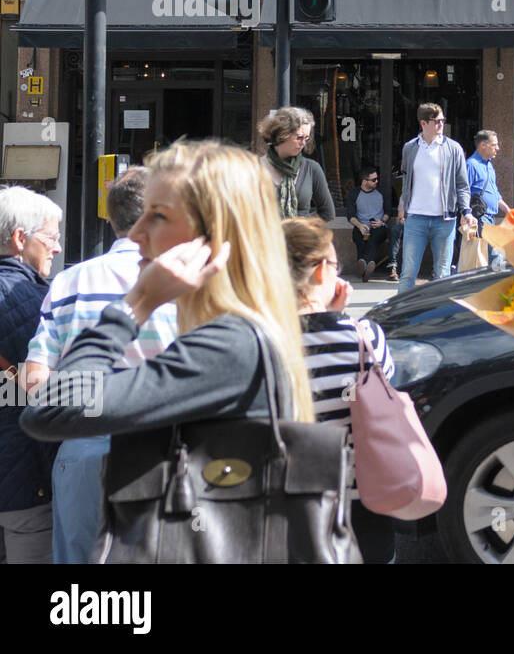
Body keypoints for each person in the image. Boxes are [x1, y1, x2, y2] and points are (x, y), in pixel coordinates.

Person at [20, 141, 320, 564]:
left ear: (212, 234)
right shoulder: (241, 331)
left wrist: (135, 305)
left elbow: (53, 407)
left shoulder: (228, 346)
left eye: (157, 216)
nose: (137, 233)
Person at [22, 168, 179, 564]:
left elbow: (33, 379)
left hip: (83, 445)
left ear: (110, 219)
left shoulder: (68, 282)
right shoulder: (184, 283)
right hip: (161, 447)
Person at [283, 217, 397, 563]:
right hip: (363, 506)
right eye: (335, 265)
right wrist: (339, 319)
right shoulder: (366, 339)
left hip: (290, 510)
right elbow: (383, 389)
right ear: (320, 272)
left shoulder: (266, 343)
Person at [0, 186, 62, 564]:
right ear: (21, 239)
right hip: (24, 485)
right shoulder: (35, 299)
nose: (56, 248)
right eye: (51, 238)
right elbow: (47, 392)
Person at [396, 103, 476, 292]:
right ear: (424, 123)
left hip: (445, 219)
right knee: (408, 273)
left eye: (443, 120)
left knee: (442, 274)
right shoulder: (410, 148)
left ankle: (442, 317)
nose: (442, 124)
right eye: (437, 121)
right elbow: (406, 179)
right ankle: (401, 316)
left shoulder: (453, 149)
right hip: (415, 218)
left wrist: (466, 211)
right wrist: (403, 209)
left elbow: (462, 185)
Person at [258, 106, 336, 221]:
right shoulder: (254, 168)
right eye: (299, 137)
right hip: (265, 237)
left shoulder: (312, 168)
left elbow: (327, 213)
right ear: (282, 134)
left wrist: (300, 227)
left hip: (299, 237)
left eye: (307, 138)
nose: (303, 143)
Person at [467, 130, 510, 270]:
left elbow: (494, 192)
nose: (497, 148)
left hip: (490, 218)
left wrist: (507, 209)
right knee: (496, 256)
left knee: (482, 257)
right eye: (494, 145)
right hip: (479, 218)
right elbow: (463, 191)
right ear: (483, 145)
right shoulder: (471, 165)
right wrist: (466, 214)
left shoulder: (489, 165)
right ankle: (500, 285)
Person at [346, 165, 389, 282]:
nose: (377, 181)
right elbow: (350, 215)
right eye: (373, 180)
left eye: (377, 179)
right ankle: (367, 267)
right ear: (364, 181)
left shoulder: (381, 192)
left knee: (373, 238)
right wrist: (360, 225)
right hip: (362, 226)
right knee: (358, 237)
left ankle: (363, 263)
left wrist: (382, 221)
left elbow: (388, 212)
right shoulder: (354, 193)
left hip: (379, 226)